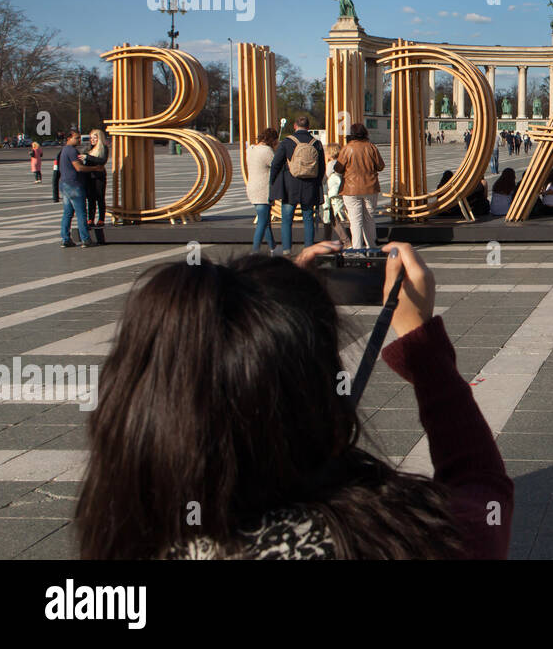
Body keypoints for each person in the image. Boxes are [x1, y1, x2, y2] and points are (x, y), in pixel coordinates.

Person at [75, 242, 513, 559]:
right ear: (313, 397)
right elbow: (484, 494)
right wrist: (424, 350)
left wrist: (277, 297)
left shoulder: (125, 527)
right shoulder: (390, 542)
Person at [269, 115, 324, 255]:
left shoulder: (287, 142)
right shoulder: (316, 143)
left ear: (295, 126)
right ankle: (309, 250)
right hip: (309, 185)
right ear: (308, 127)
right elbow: (321, 167)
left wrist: (273, 181)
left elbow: (276, 163)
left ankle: (287, 250)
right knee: (308, 218)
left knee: (287, 219)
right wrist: (317, 183)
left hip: (289, 185)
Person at [335, 123, 384, 250]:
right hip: (370, 187)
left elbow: (338, 168)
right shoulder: (371, 147)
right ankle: (371, 246)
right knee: (369, 217)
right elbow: (381, 166)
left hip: (351, 189)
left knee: (355, 220)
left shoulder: (347, 148)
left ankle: (357, 247)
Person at [57, 130, 96, 247]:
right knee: (81, 213)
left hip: (64, 183)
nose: (79, 140)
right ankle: (85, 239)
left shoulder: (64, 150)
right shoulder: (72, 151)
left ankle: (65, 239)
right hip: (74, 184)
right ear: (69, 138)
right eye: (77, 138)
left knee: (68, 213)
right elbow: (78, 168)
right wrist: (95, 168)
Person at [246, 127, 279, 253]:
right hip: (263, 189)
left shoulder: (250, 149)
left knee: (265, 221)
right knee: (262, 222)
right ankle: (255, 250)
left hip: (252, 187)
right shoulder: (267, 151)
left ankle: (273, 247)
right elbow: (276, 165)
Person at [321, 142, 350, 246]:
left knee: (332, 217)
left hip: (330, 194)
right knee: (330, 217)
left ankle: (346, 241)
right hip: (339, 192)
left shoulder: (331, 164)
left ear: (330, 153)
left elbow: (325, 179)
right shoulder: (340, 163)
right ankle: (326, 240)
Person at [82, 128, 110, 232]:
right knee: (90, 199)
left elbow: (102, 161)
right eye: (91, 138)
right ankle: (90, 219)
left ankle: (101, 219)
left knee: (100, 197)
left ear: (99, 138)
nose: (92, 140)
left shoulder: (104, 148)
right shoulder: (88, 148)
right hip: (89, 176)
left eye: (95, 137)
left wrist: (88, 157)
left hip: (99, 177)